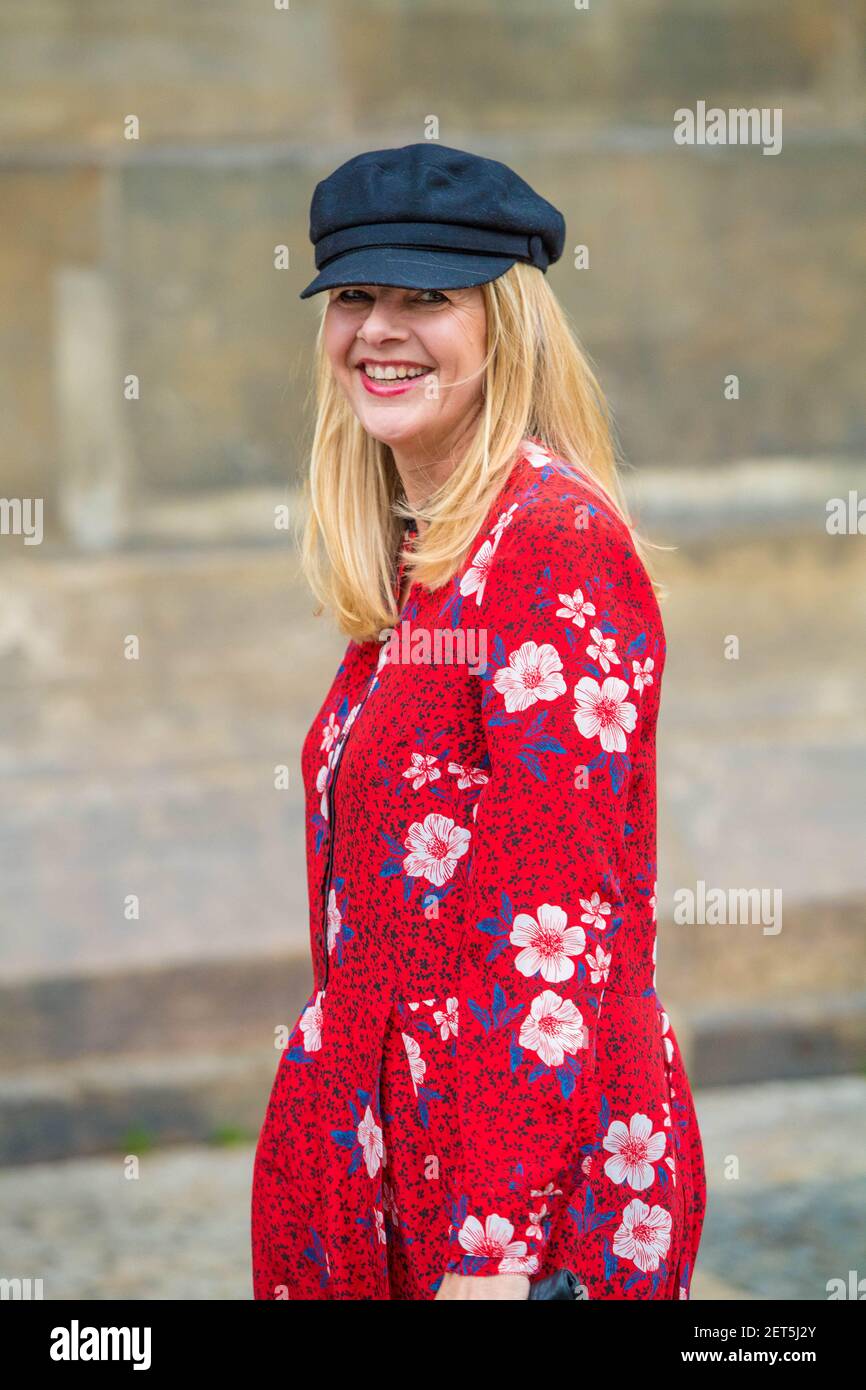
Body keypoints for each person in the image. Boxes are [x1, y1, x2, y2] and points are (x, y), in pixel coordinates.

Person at [250, 142, 707, 1301]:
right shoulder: (426, 560)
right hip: (382, 1156)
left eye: (427, 297)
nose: (379, 329)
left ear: (502, 324)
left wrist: (492, 1253)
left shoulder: (550, 545)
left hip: (496, 1189)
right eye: (354, 294)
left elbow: (549, 920)